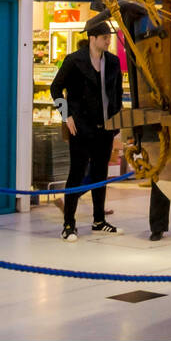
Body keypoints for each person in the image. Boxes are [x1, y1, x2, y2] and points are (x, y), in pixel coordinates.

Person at [50, 20, 123, 241]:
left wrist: (116, 121)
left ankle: (99, 220)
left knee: (101, 173)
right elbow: (55, 88)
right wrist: (66, 116)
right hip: (80, 127)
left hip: (105, 127)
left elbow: (117, 93)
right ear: (92, 39)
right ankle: (68, 223)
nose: (108, 41)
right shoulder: (74, 61)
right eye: (104, 38)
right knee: (77, 173)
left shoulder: (112, 62)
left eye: (109, 37)